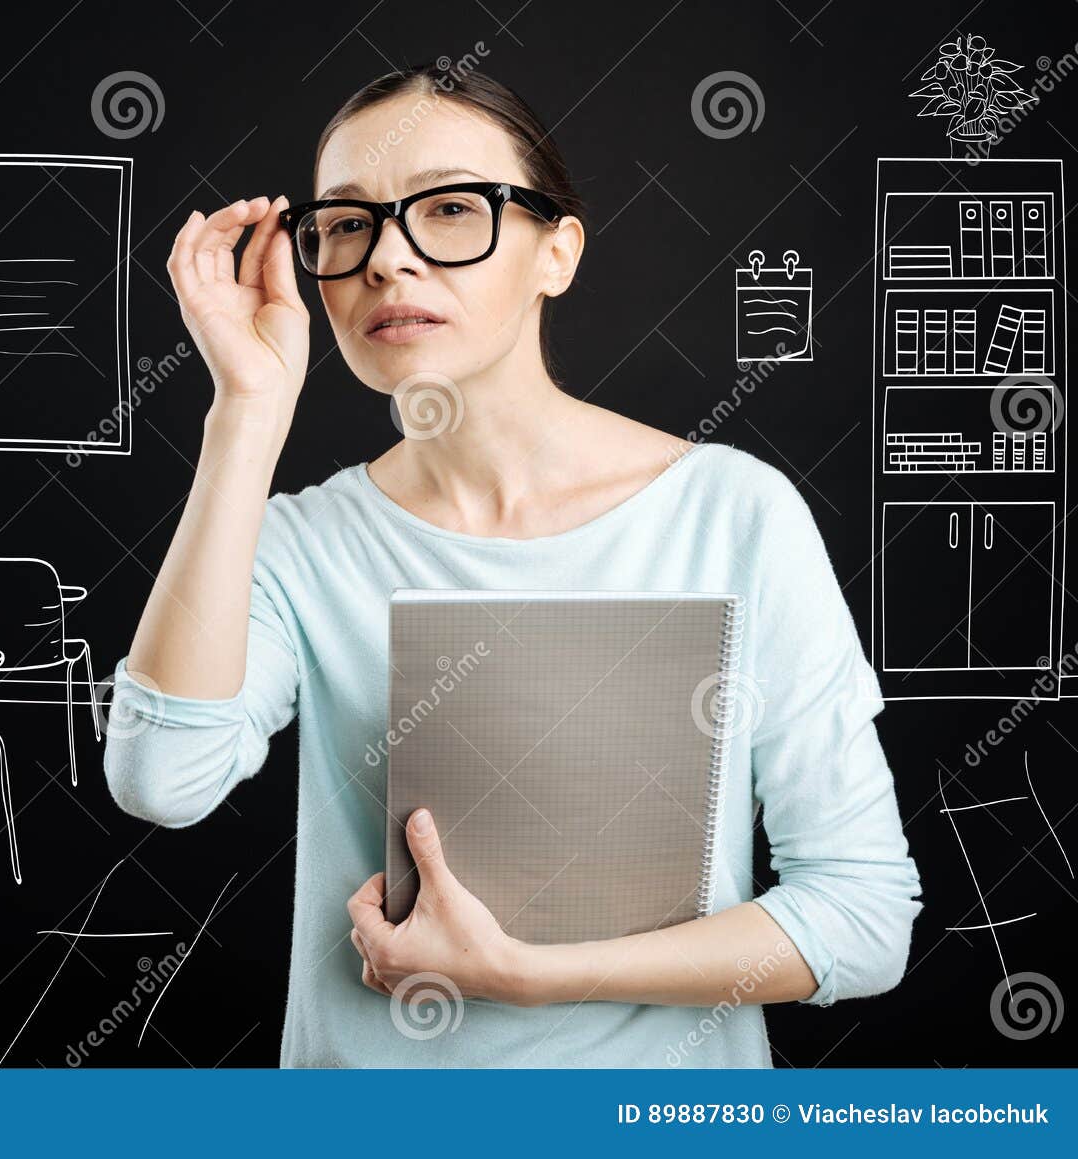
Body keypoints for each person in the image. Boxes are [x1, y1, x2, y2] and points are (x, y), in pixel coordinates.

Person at [102, 64, 922, 1067]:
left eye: (450, 210)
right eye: (348, 223)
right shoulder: (295, 542)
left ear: (556, 252)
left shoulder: (732, 513)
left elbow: (861, 917)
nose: (388, 260)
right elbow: (158, 779)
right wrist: (245, 413)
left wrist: (534, 973)